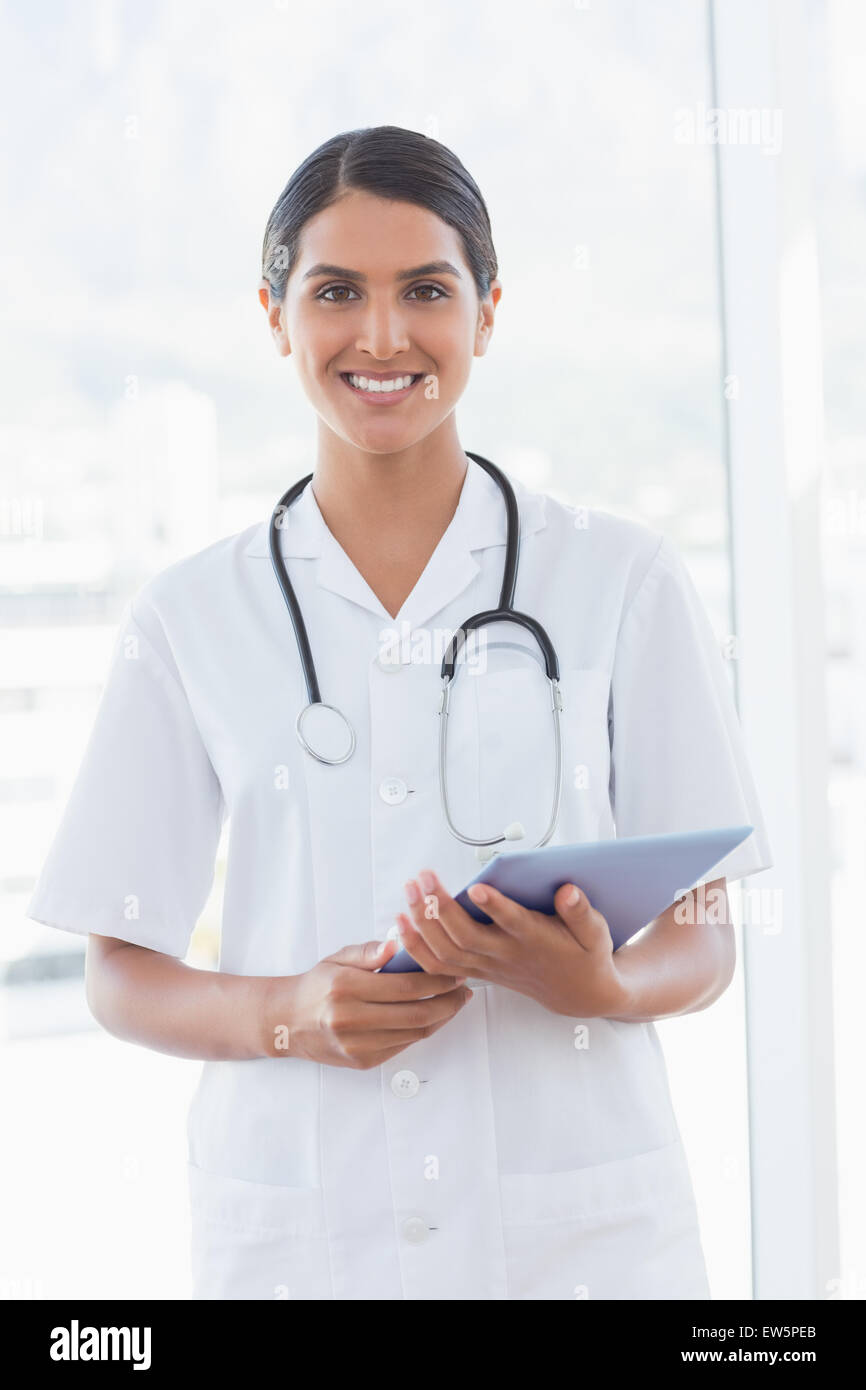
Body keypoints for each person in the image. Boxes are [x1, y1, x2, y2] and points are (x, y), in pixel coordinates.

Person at [27, 124, 773, 1300]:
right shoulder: (189, 615)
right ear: (275, 317)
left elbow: (708, 927)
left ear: (484, 312)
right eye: (335, 292)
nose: (381, 336)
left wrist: (605, 988)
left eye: (425, 289)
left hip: (574, 1236)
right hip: (304, 1233)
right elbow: (118, 968)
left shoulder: (620, 579)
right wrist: (291, 1011)